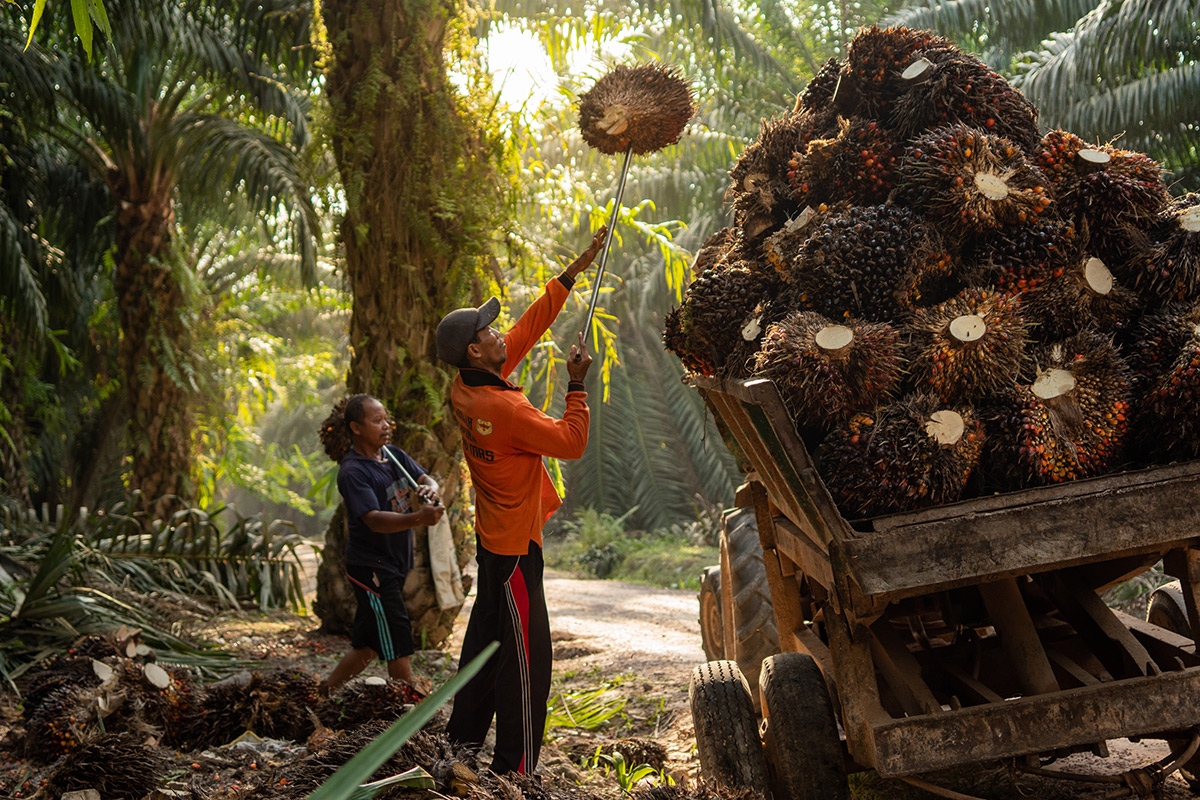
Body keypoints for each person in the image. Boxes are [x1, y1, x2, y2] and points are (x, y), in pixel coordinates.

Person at [438, 226, 606, 775]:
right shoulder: (505, 412)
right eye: (487, 330)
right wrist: (576, 385)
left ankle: (459, 746)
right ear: (474, 349)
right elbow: (571, 443)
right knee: (527, 661)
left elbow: (526, 329)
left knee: (485, 651)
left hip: (494, 547)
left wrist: (571, 274)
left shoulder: (468, 386)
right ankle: (515, 769)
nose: (497, 332)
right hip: (514, 556)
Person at [316, 393, 445, 695]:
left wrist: (430, 491)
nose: (386, 425)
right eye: (377, 421)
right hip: (371, 568)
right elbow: (372, 519)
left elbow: (426, 478)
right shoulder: (353, 471)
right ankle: (406, 708)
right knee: (397, 636)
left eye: (386, 418)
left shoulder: (393, 456)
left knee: (370, 645)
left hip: (394, 563)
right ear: (356, 428)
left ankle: (324, 694)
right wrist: (418, 518)